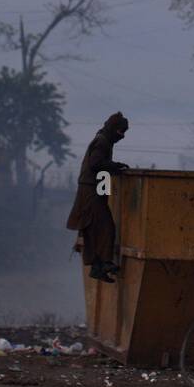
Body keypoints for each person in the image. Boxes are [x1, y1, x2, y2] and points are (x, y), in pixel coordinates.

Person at [66, 112, 130, 283]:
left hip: (96, 189)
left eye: (124, 132)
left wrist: (112, 170)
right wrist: (115, 166)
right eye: (120, 132)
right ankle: (104, 263)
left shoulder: (105, 140)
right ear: (113, 128)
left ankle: (97, 267)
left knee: (94, 229)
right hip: (91, 190)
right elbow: (96, 164)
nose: (122, 136)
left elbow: (100, 168)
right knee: (106, 226)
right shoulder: (102, 142)